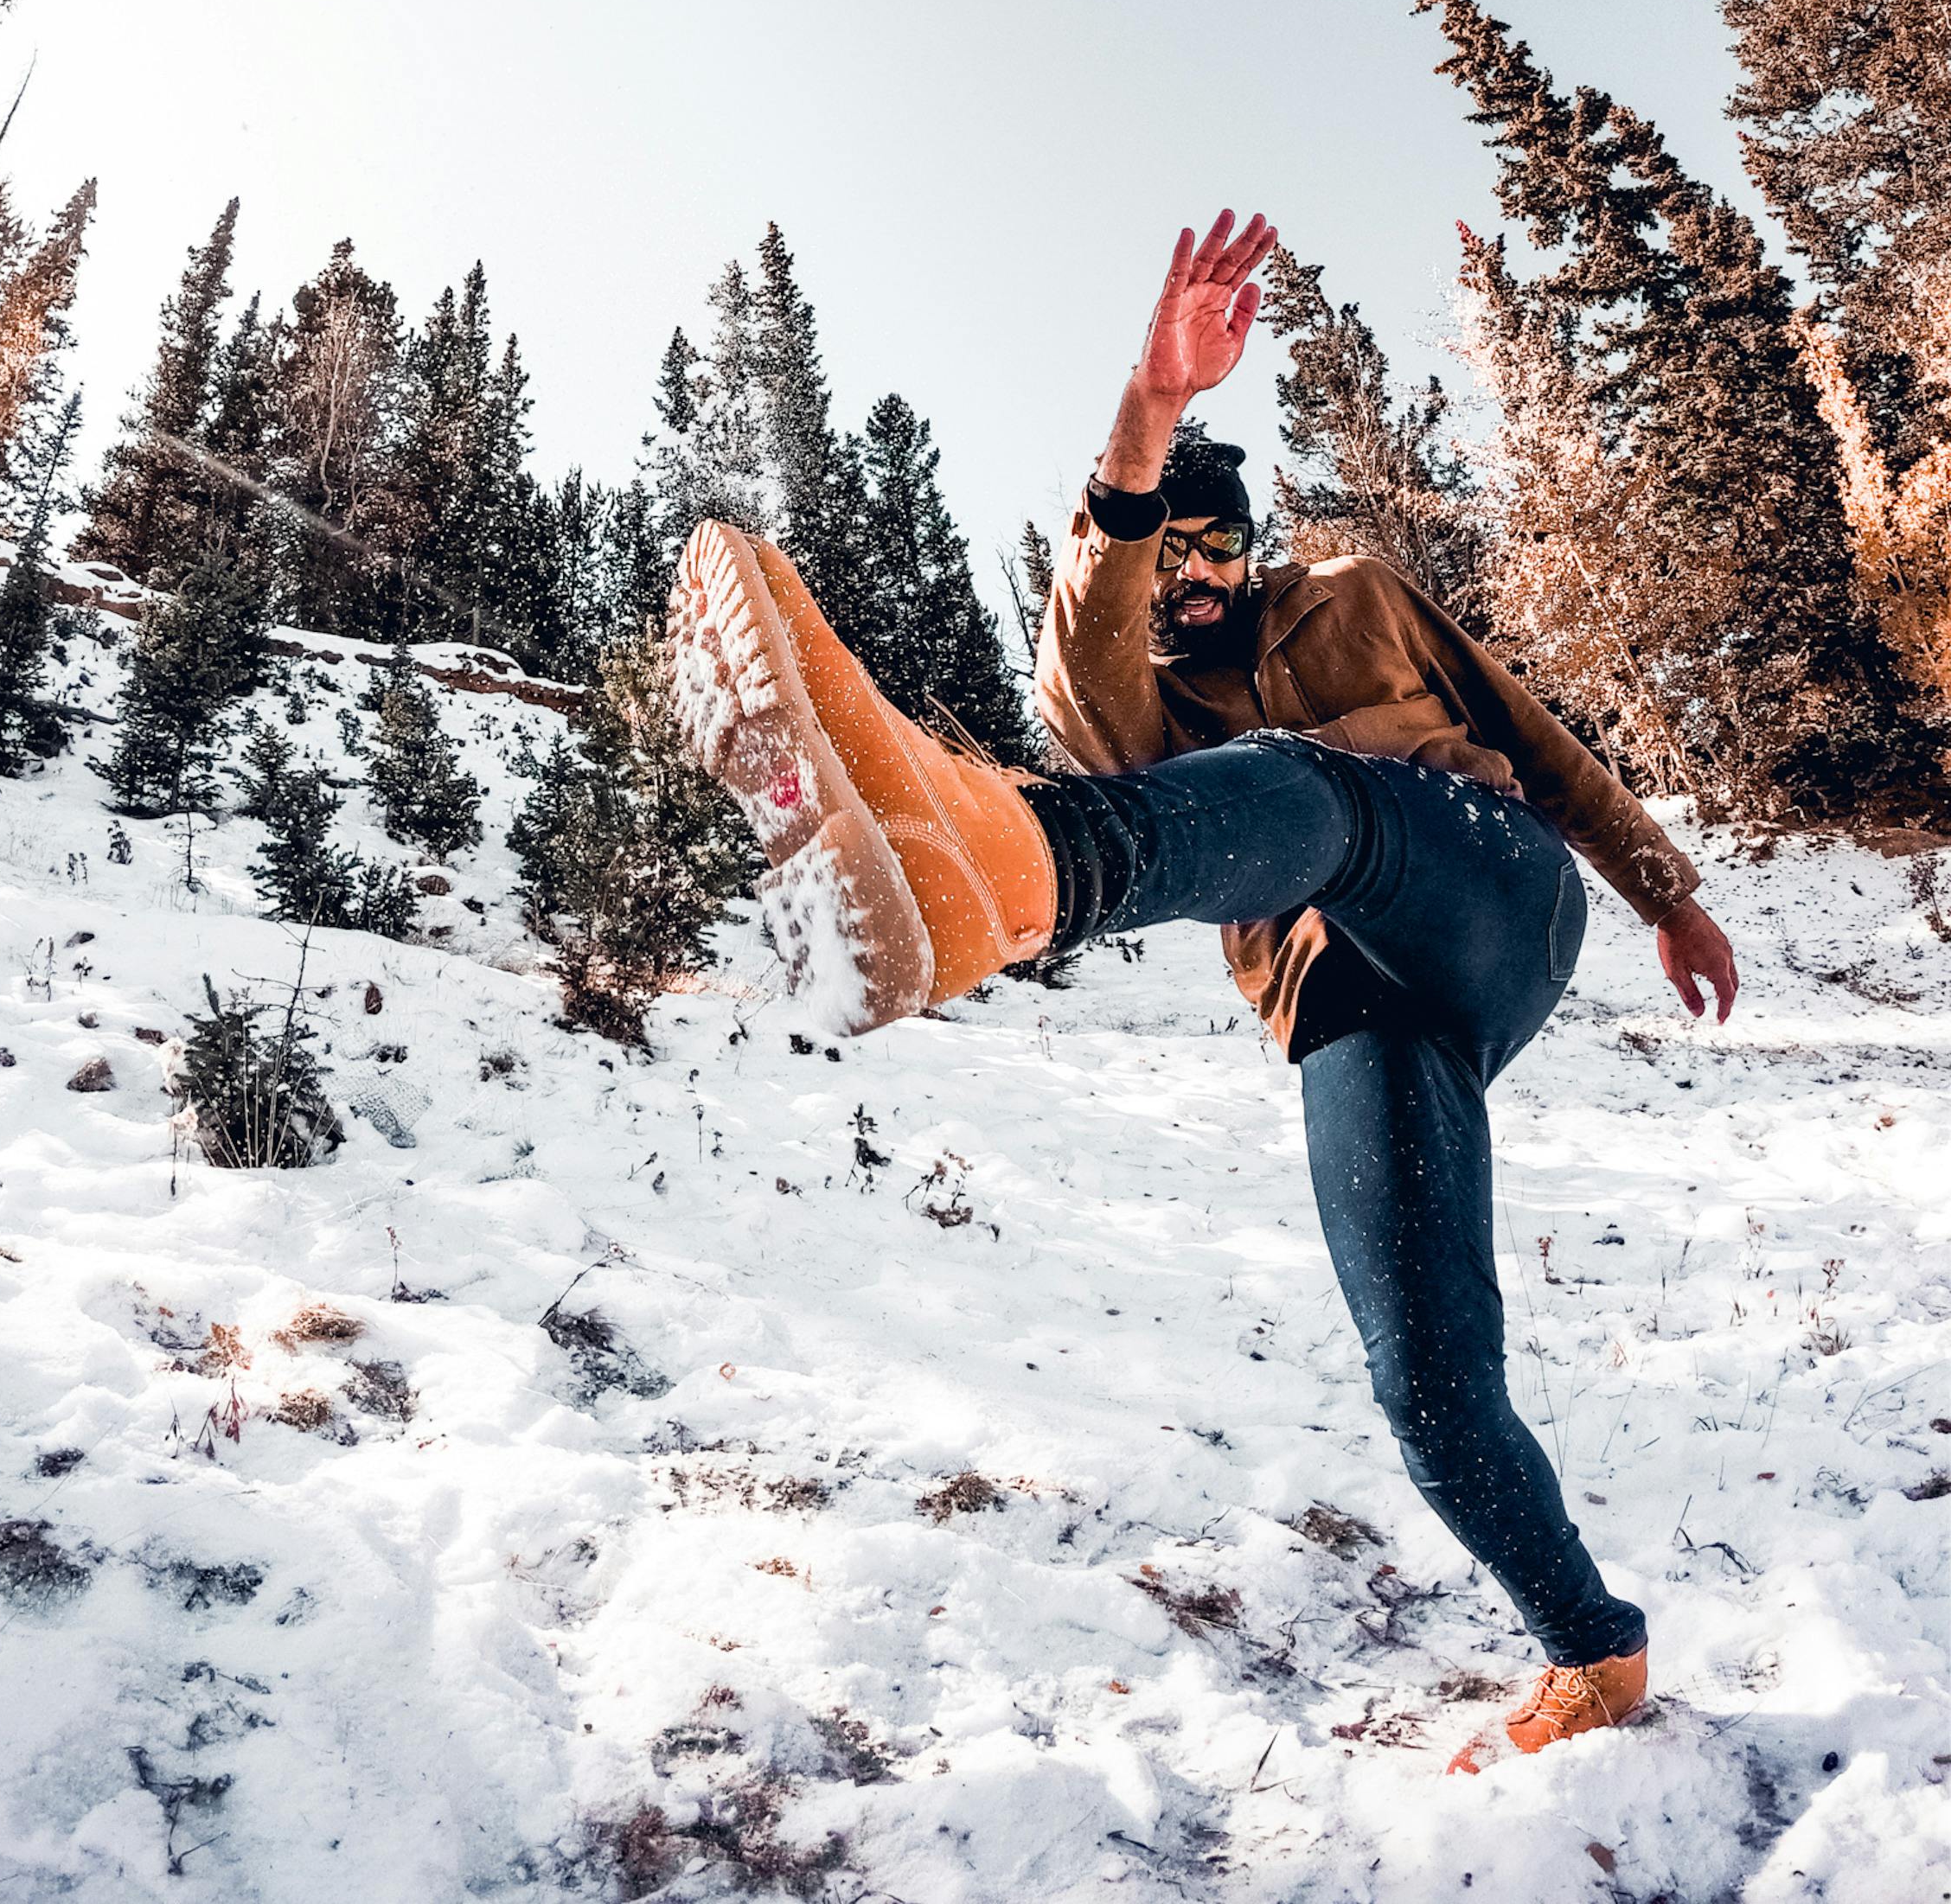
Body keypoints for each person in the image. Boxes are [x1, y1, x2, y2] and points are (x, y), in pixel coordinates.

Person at [665, 208, 1738, 1773]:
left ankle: (989, 884)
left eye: (1214, 558)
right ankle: (1595, 1646)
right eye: (1166, 568)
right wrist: (1146, 418)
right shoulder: (1138, 687)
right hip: (1353, 1001)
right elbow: (1086, 639)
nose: (1190, 591)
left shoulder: (1358, 594)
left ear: (1255, 547)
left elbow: (1535, 724)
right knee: (1426, 1378)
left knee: (1318, 792)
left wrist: (1668, 889)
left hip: (1488, 890)